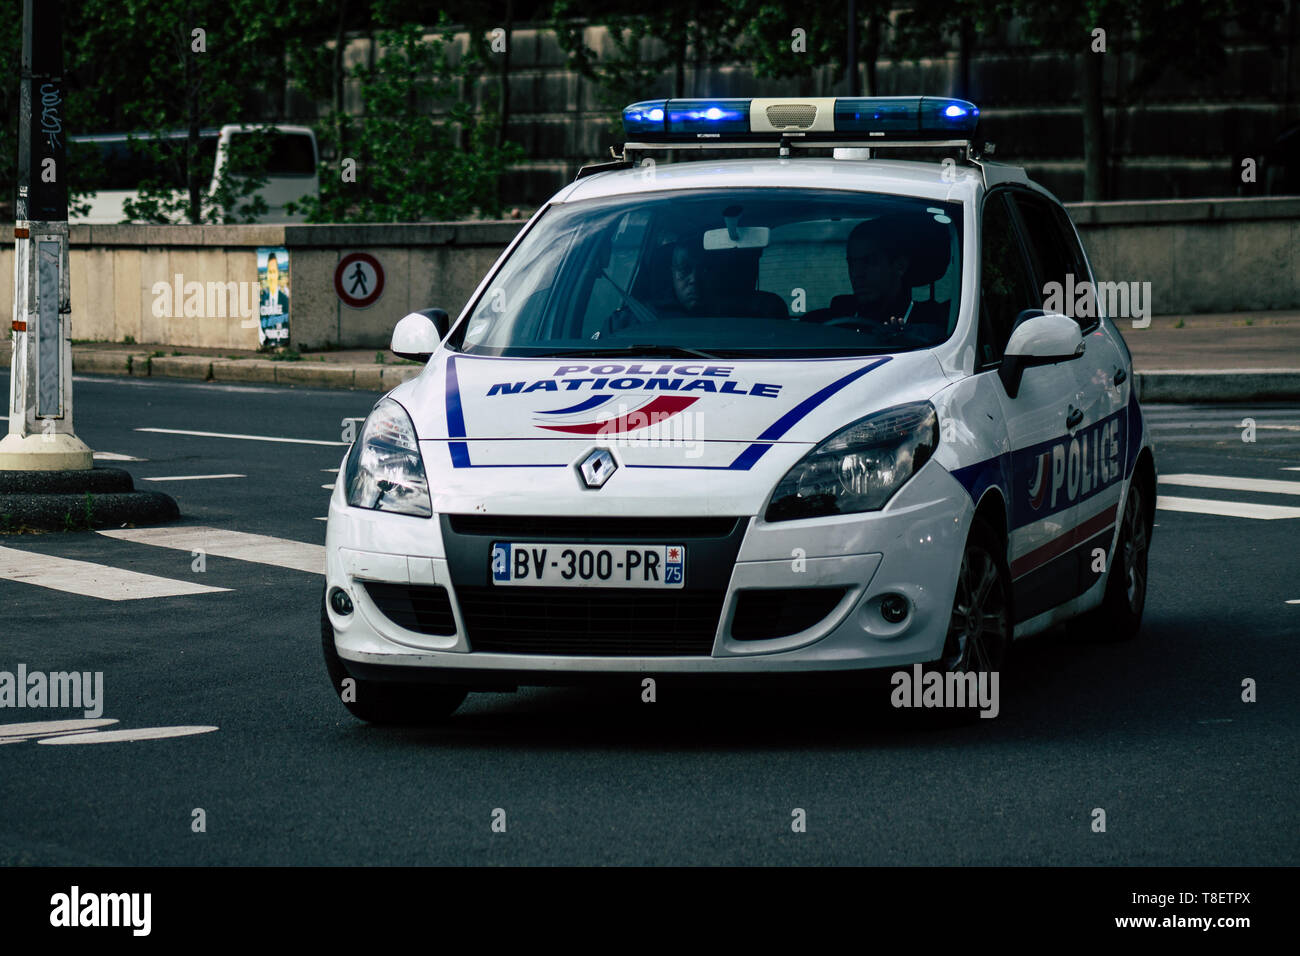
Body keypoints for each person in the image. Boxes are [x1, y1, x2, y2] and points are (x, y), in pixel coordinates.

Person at [805, 216, 948, 334]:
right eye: (852, 264)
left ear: (900, 266)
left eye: (869, 262)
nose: (857, 274)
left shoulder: (934, 326)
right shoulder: (828, 323)